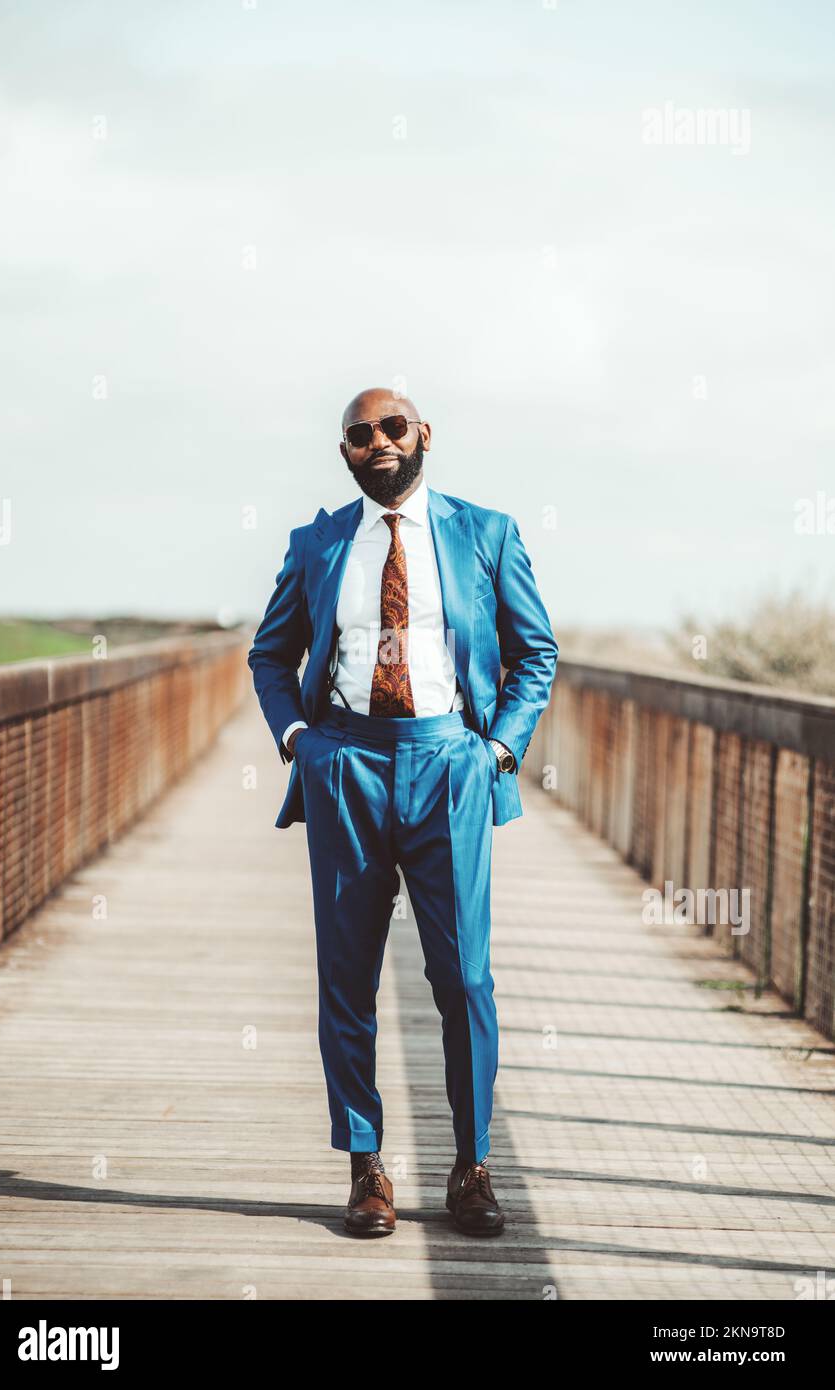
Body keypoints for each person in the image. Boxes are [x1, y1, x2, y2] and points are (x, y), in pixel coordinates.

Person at [247, 388, 558, 1237]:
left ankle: (471, 1166)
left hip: (447, 764)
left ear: (424, 435)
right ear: (344, 452)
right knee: (345, 979)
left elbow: (535, 653)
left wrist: (495, 750)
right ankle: (365, 1167)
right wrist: (298, 740)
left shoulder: (483, 533)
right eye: (359, 434)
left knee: (463, 978)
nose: (377, 442)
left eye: (392, 427)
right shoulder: (317, 543)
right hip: (344, 763)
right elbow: (270, 654)